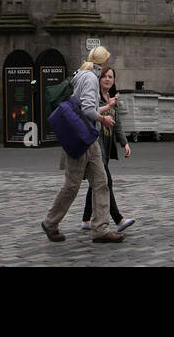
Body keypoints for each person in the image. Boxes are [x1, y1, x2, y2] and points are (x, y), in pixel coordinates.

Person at [41, 46, 125, 244]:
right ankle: (50, 223)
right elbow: (88, 110)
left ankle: (100, 229)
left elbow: (87, 106)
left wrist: (106, 107)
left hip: (89, 138)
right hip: (82, 138)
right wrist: (103, 120)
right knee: (72, 185)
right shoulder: (89, 78)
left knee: (101, 182)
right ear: (103, 62)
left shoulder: (82, 74)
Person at [81, 65, 134, 233]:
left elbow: (117, 124)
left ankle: (85, 219)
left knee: (95, 184)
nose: (107, 79)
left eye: (110, 77)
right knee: (105, 182)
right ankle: (118, 219)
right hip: (95, 145)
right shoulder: (96, 97)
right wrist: (107, 106)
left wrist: (124, 142)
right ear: (98, 78)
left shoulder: (111, 98)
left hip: (106, 146)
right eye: (104, 76)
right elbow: (90, 113)